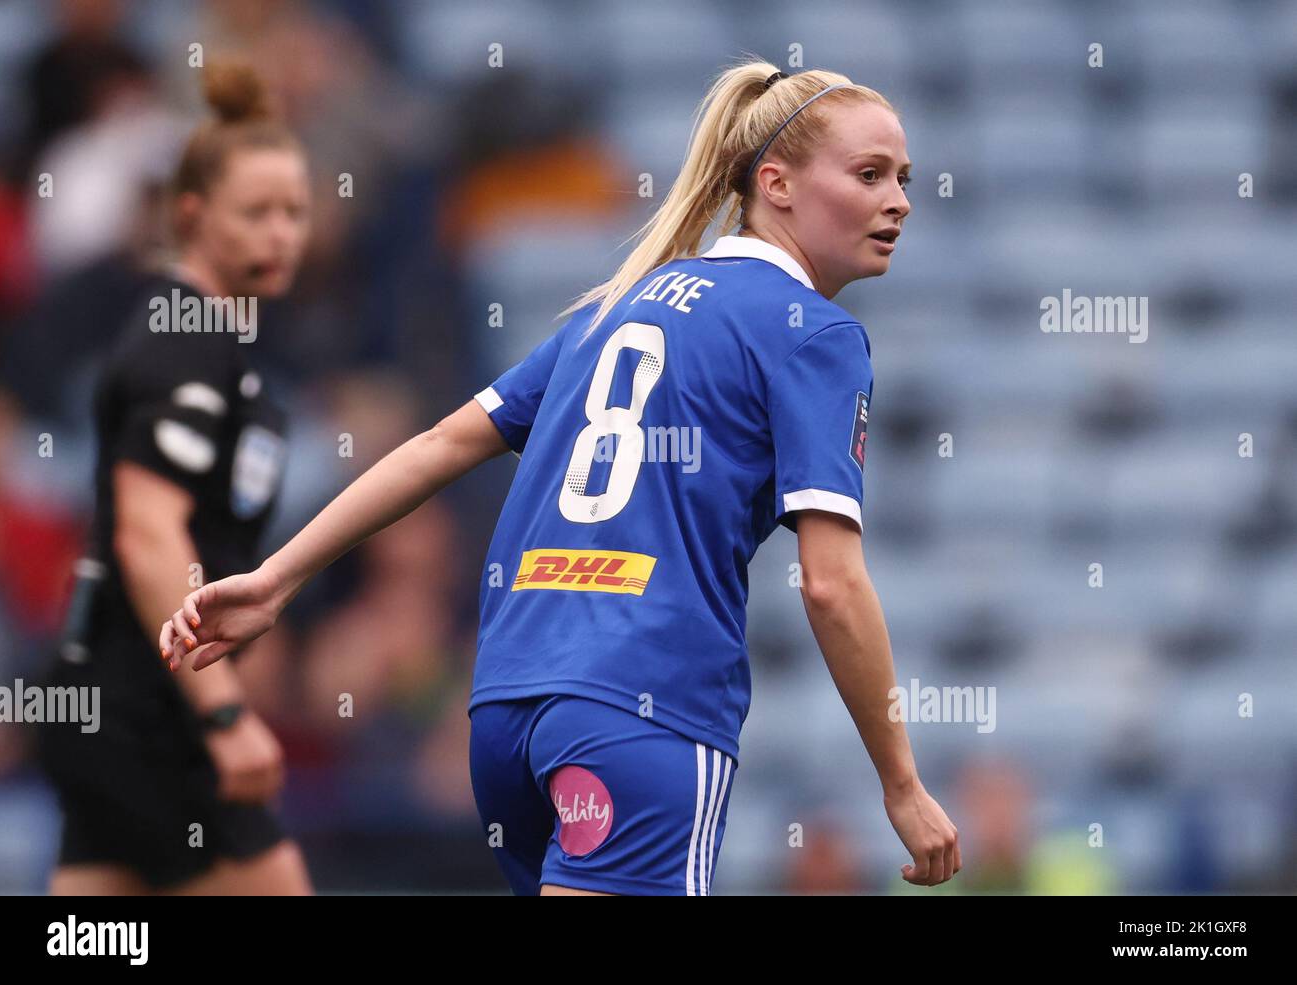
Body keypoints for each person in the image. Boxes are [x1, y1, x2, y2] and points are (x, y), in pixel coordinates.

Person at [159, 59, 961, 896]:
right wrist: (901, 783)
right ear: (777, 184)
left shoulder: (619, 303)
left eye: (903, 178)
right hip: (641, 710)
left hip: (507, 714)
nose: (899, 199)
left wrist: (277, 577)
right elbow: (831, 585)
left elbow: (439, 442)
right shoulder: (816, 335)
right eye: (869, 175)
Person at [38, 62, 313, 895]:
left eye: (296, 213)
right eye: (256, 213)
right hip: (152, 711)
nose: (282, 235)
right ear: (191, 216)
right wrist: (224, 713)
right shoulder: (184, 341)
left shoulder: (217, 342)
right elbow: (148, 532)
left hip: (110, 702)